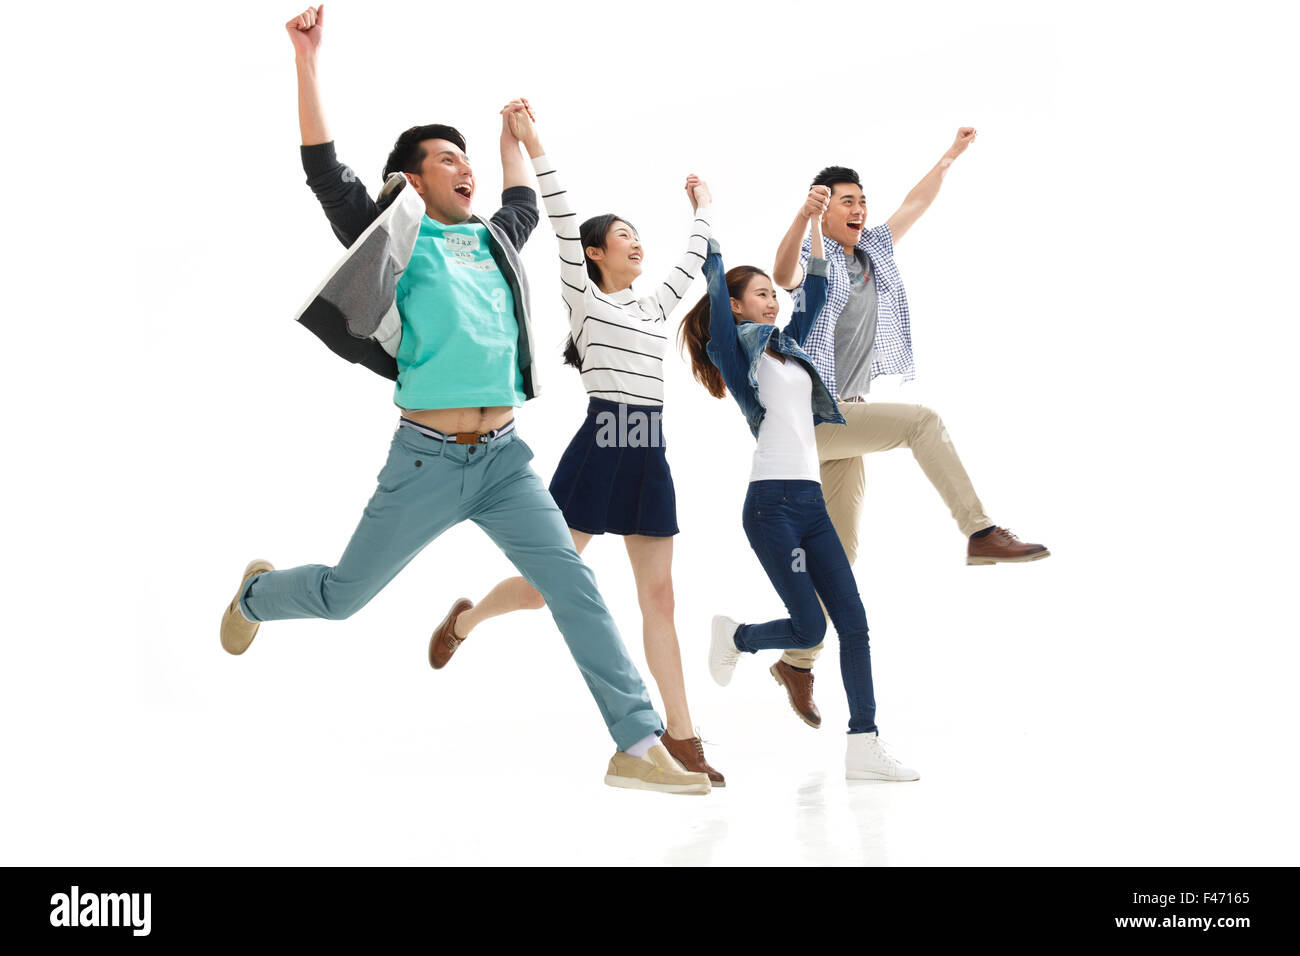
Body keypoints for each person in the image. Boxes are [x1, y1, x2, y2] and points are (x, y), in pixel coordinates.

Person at [218, 5, 711, 796]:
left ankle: (635, 740)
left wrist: (509, 135)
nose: (465, 168)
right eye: (449, 159)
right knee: (345, 597)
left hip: (505, 462)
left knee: (574, 586)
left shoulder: (491, 239)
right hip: (426, 461)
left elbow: (520, 201)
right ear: (413, 180)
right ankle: (256, 593)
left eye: (468, 159)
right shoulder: (393, 229)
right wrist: (307, 62)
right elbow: (324, 171)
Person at [430, 104, 723, 785]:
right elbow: (562, 216)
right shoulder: (584, 298)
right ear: (595, 253)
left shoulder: (652, 307)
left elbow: (692, 257)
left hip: (649, 452)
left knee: (662, 599)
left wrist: (704, 204)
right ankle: (468, 619)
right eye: (623, 236)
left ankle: (683, 738)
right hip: (600, 447)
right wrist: (533, 142)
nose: (636, 244)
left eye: (637, 237)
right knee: (541, 590)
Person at [766, 130, 1051, 728]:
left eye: (862, 200)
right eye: (847, 200)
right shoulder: (818, 257)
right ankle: (980, 530)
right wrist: (802, 218)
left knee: (840, 555)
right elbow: (781, 270)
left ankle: (796, 661)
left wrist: (947, 158)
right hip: (811, 416)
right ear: (825, 205)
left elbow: (915, 205)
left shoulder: (873, 251)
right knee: (922, 422)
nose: (858, 209)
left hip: (850, 411)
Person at [678, 194, 918, 781]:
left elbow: (813, 288)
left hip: (810, 503)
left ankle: (864, 742)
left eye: (770, 292)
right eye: (759, 293)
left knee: (853, 622)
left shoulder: (790, 349)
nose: (771, 299)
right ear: (735, 306)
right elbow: (713, 282)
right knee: (809, 626)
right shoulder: (734, 354)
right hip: (771, 507)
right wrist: (705, 212)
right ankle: (737, 636)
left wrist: (812, 220)